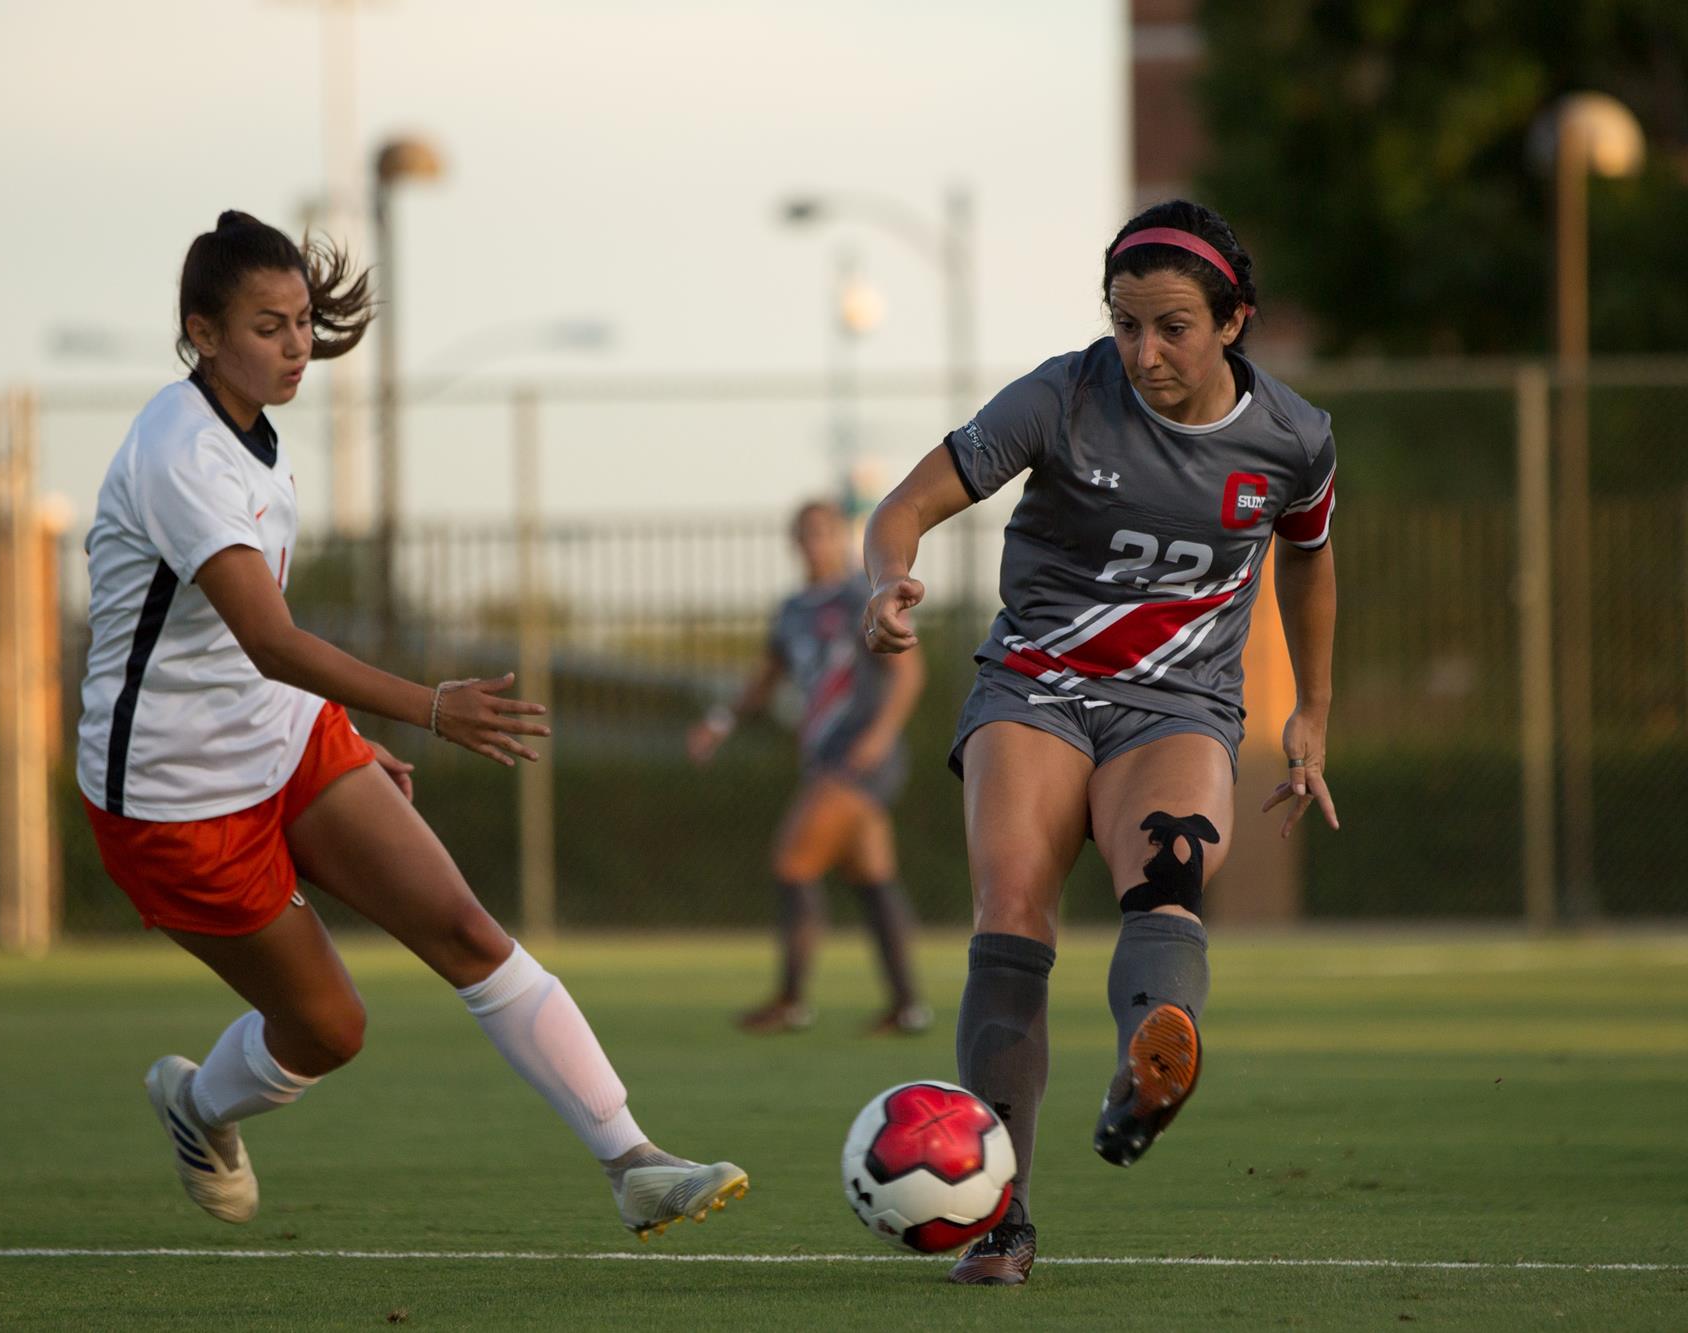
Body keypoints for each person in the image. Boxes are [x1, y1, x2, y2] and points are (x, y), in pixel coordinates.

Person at [77, 211, 745, 1241]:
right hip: (176, 797)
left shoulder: (254, 433)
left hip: (285, 735)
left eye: (302, 322)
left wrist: (335, 729)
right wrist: (430, 706)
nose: (297, 346)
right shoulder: (179, 450)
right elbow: (268, 639)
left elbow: (248, 660)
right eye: (267, 326)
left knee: (466, 930)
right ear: (202, 334)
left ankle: (633, 1161)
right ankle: (199, 1105)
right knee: (329, 1028)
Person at [861, 200, 1339, 1286]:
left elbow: (1310, 558)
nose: (1143, 351)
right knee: (1010, 913)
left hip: (1178, 705)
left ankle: (1153, 1054)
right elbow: (903, 506)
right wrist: (884, 580)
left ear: (1233, 321)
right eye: (1125, 324)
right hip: (1034, 687)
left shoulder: (1293, 438)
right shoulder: (1061, 395)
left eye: (1172, 327)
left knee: (1167, 878)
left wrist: (1311, 707)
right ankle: (1001, 1215)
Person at [687, 500, 929, 1035]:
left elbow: (909, 673)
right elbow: (765, 679)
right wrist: (720, 722)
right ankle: (908, 1006)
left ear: (841, 537)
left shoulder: (864, 596)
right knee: (871, 878)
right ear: (794, 542)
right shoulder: (792, 610)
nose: (813, 543)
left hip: (858, 759)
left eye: (822, 532)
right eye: (804, 534)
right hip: (824, 759)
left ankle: (791, 1001)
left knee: (793, 861)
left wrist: (880, 735)